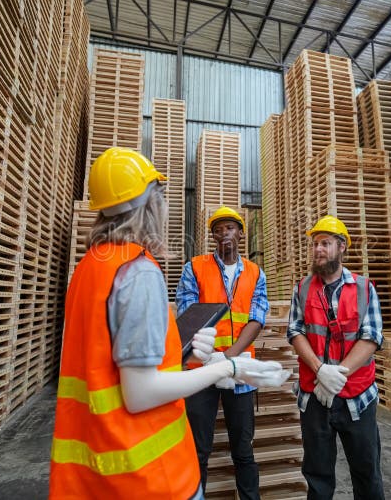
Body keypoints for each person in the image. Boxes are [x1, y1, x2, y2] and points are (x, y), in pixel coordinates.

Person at [49, 149, 286, 499]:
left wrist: (195, 355)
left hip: (97, 472)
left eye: (231, 228)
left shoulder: (90, 268)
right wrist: (225, 367)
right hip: (149, 474)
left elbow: (112, 361)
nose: (164, 203)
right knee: (202, 444)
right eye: (159, 194)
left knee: (243, 450)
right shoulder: (137, 270)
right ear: (147, 202)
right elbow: (140, 392)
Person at [287, 215, 385, 500]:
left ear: (342, 247)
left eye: (326, 243)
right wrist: (320, 371)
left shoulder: (364, 288)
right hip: (315, 398)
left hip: (357, 398)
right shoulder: (302, 289)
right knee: (317, 478)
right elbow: (295, 331)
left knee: (367, 474)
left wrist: (336, 375)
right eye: (315, 243)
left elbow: (371, 338)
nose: (318, 249)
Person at [176, 206, 270, 500]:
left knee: (243, 450)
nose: (223, 233)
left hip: (238, 370)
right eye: (218, 229)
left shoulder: (255, 273)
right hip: (201, 372)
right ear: (212, 236)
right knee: (198, 450)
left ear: (241, 233)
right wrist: (208, 359)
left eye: (230, 227)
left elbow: (257, 317)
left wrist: (228, 357)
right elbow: (187, 315)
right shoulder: (194, 267)